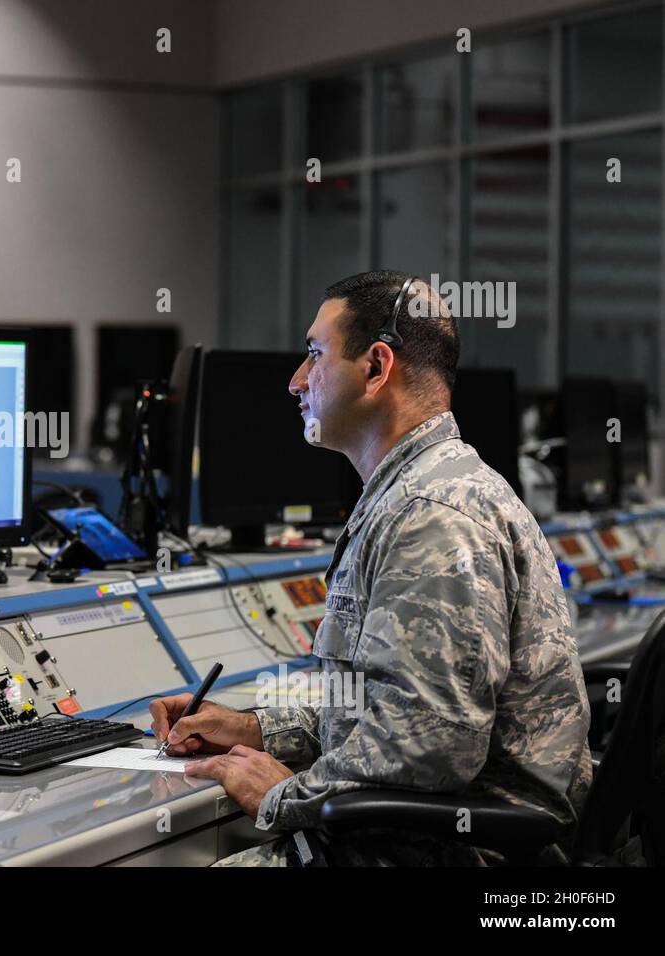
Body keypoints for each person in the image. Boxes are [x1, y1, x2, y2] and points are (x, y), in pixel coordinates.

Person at [151, 270, 592, 865]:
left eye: (314, 354)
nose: (296, 381)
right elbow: (383, 712)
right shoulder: (418, 495)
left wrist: (281, 796)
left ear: (377, 367)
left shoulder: (431, 517)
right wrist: (254, 730)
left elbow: (429, 747)